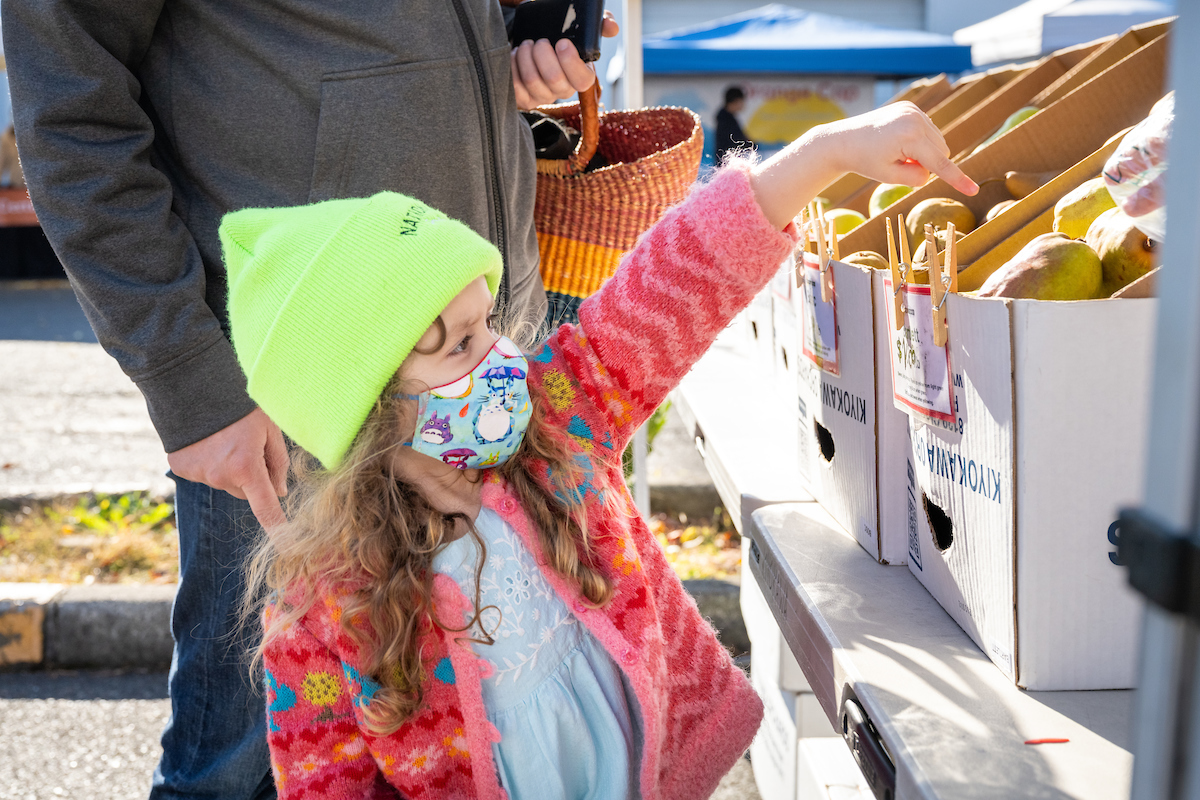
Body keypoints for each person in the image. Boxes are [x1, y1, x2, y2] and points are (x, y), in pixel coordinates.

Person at [225, 102, 976, 798]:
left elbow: (677, 277)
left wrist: (823, 153)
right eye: (459, 347)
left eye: (487, 324)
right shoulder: (320, 604)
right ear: (370, 413)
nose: (500, 356)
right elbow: (324, 779)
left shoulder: (559, 411)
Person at [2, 1, 614, 796]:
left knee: (479, 738)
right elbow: (71, 99)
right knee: (238, 765)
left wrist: (522, 29)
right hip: (302, 395)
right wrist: (190, 382)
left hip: (474, 351)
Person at [715, 86, 755, 164]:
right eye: (742, 101)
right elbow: (736, 141)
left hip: (726, 162)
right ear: (736, 101)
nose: (743, 104)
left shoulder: (727, 117)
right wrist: (751, 145)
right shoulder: (725, 120)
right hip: (727, 163)